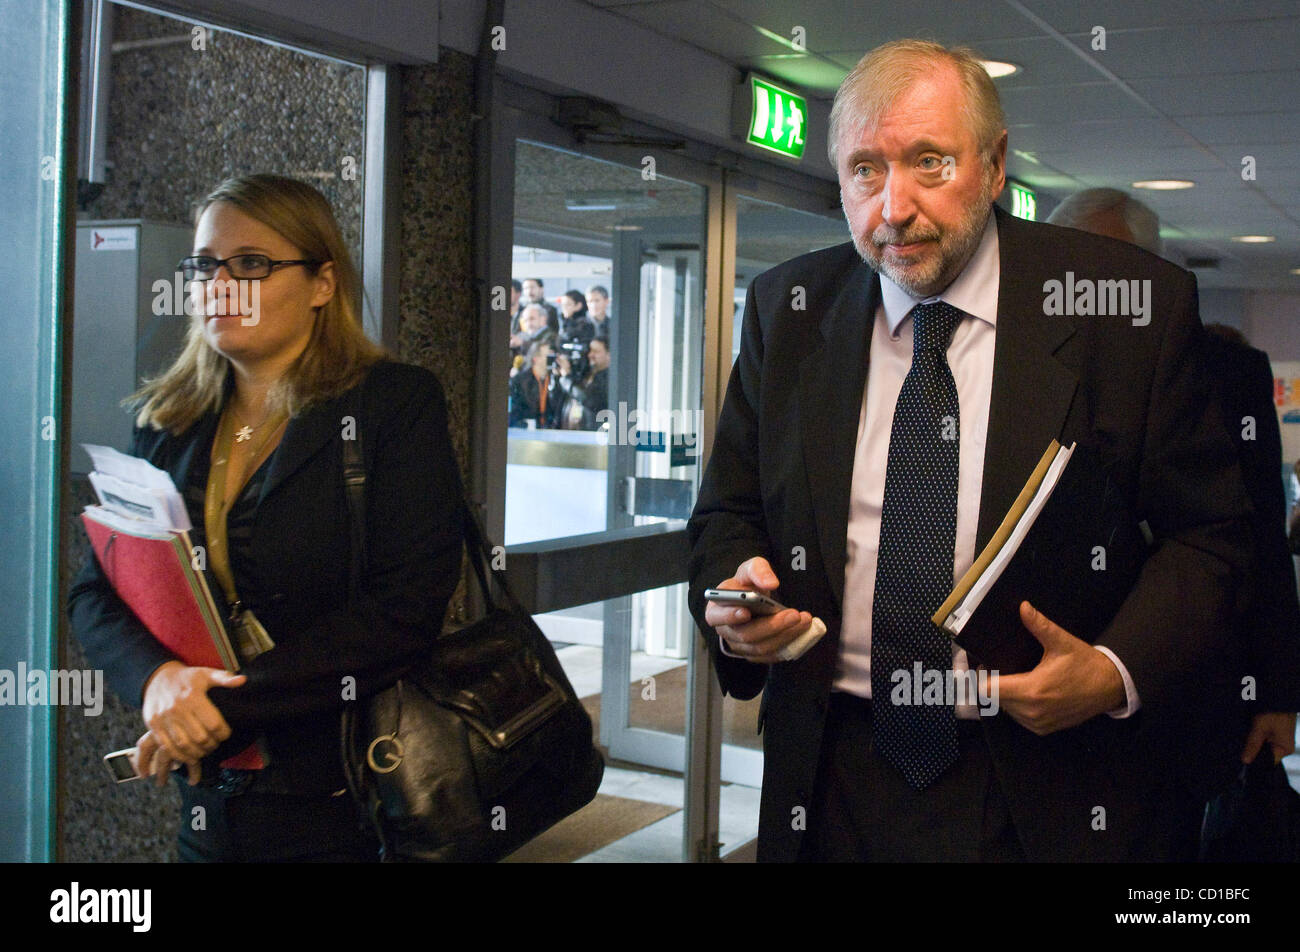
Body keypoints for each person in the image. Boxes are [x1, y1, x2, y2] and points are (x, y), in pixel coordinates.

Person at [687, 39, 1254, 862]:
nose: (893, 208)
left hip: (1049, 777)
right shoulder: (789, 309)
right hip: (831, 769)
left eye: (929, 162)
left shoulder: (1125, 310)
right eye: (865, 171)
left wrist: (1111, 669)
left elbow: (1210, 537)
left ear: (993, 166)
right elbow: (726, 513)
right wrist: (736, 596)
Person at [68, 173, 465, 862]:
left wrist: (221, 709)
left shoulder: (392, 405)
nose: (220, 283)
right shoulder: (167, 422)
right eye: (205, 266)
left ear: (321, 284)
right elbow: (93, 593)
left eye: (251, 263)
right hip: (210, 796)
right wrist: (158, 681)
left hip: (350, 795)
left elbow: (405, 608)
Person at [1051, 186, 1300, 778]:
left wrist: (1277, 690)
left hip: (1188, 675)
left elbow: (1259, 533)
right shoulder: (1029, 362)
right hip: (1053, 671)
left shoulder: (1223, 370)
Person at [556, 335, 610, 430]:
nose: (590, 355)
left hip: (595, 433)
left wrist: (566, 379)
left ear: (609, 355)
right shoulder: (584, 373)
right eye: (590, 351)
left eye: (596, 351)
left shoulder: (610, 379)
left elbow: (590, 400)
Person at [509, 337, 560, 429]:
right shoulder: (520, 381)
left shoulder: (555, 379)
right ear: (536, 358)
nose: (552, 359)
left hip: (550, 430)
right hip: (527, 429)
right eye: (548, 355)